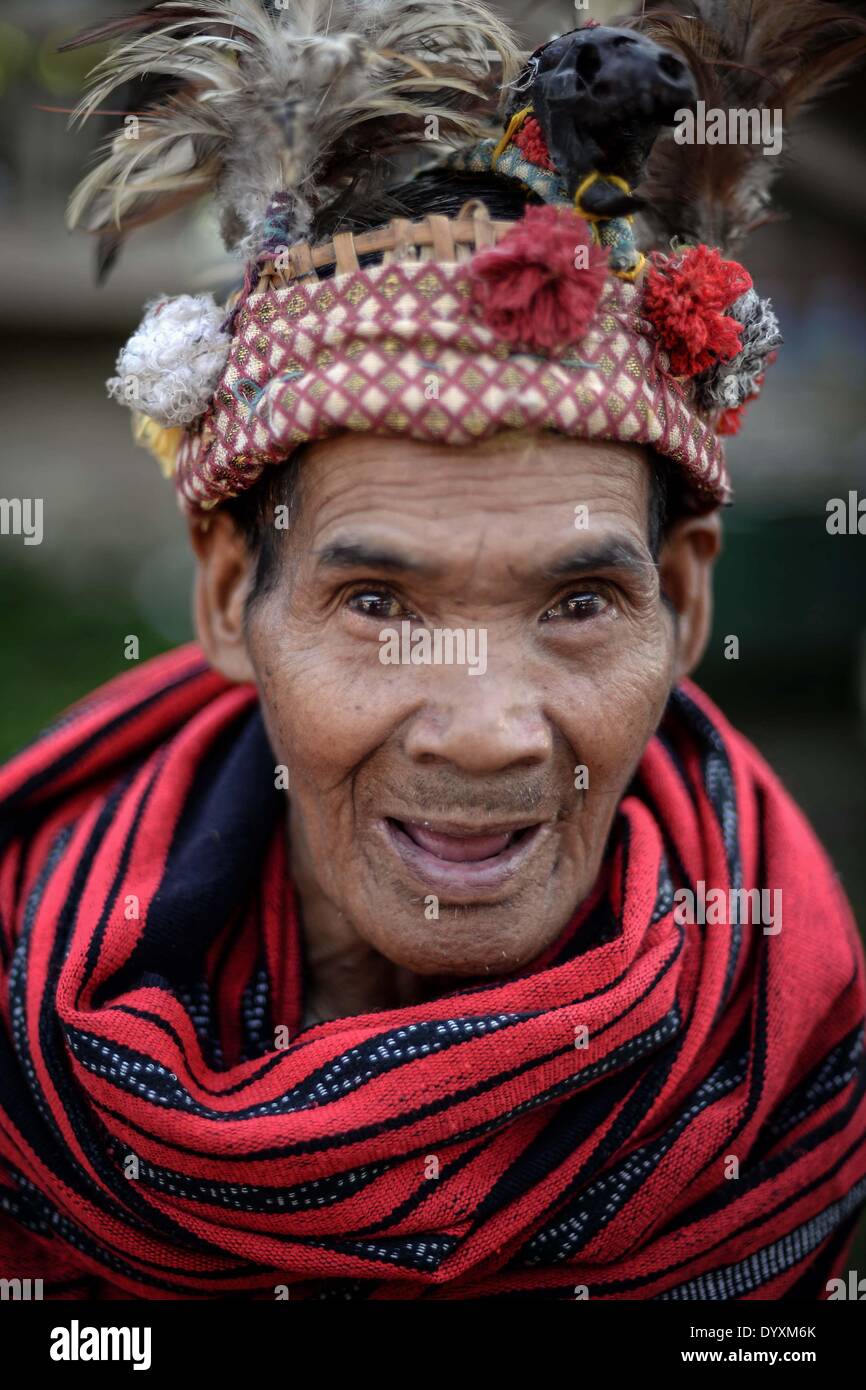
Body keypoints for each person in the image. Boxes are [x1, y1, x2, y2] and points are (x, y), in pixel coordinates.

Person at [1, 0, 865, 1300]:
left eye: (577, 604)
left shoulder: (784, 1065)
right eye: (377, 604)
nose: (485, 732)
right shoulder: (24, 1011)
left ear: (684, 605)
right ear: (231, 596)